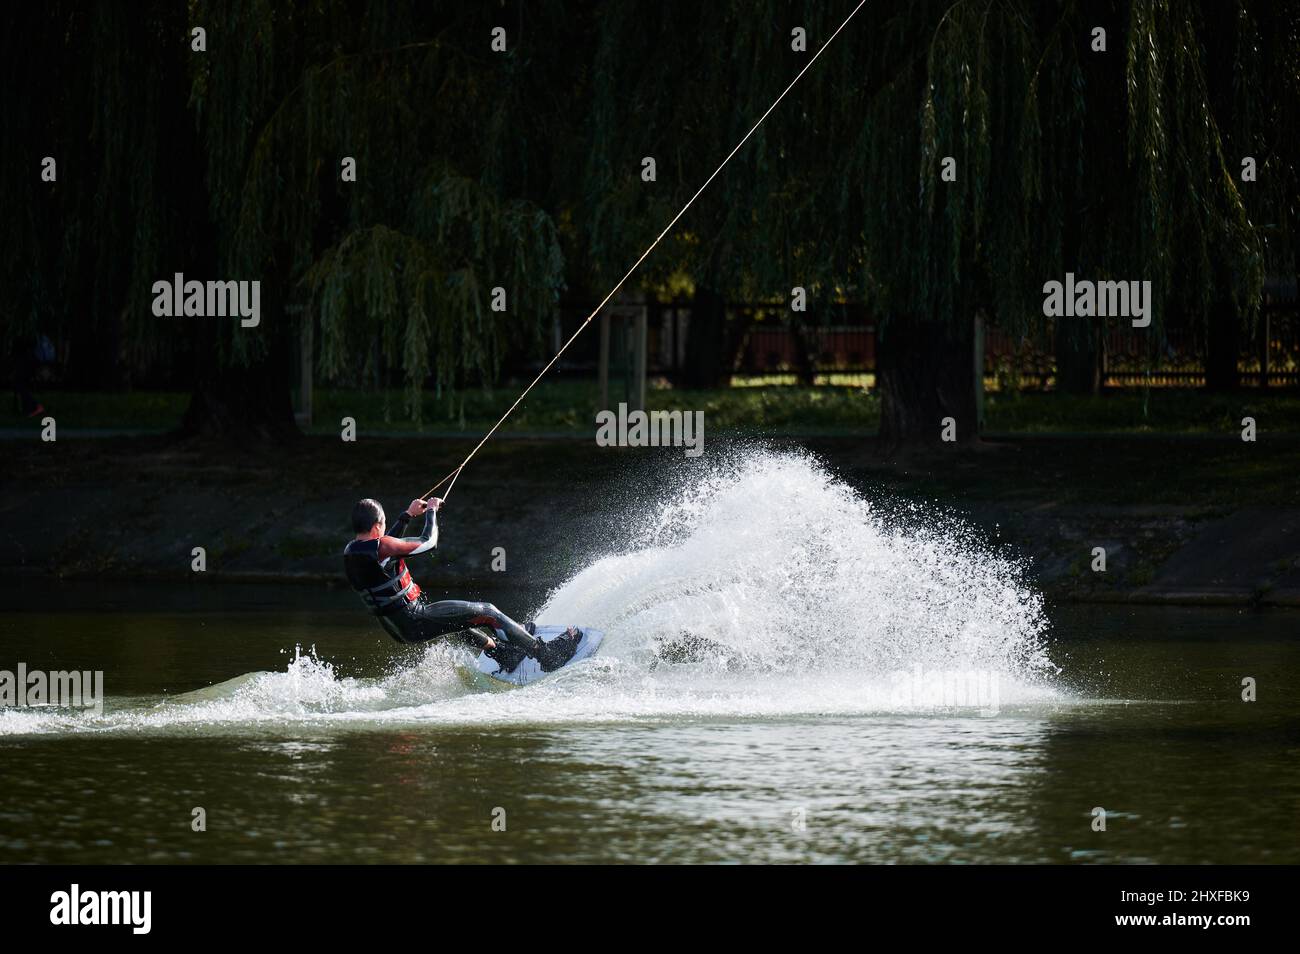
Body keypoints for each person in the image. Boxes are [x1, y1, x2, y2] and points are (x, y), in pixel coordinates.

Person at [343, 496, 582, 674]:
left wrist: (406, 516)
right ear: (377, 526)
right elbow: (429, 542)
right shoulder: (381, 546)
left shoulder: (353, 550)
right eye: (383, 525)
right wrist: (432, 512)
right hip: (414, 618)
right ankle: (547, 655)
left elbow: (387, 547)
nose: (385, 531)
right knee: (488, 611)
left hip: (397, 628)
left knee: (457, 621)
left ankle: (502, 652)